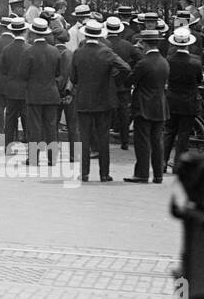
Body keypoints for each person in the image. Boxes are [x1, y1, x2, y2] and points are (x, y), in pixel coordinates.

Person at [69, 18, 130, 182]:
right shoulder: (106, 51)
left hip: (84, 99)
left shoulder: (78, 52)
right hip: (104, 99)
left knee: (85, 138)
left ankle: (84, 173)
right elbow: (126, 67)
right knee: (103, 138)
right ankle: (104, 173)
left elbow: (73, 78)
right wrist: (113, 79)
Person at [125, 25, 170, 183]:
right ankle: (158, 174)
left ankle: (142, 173)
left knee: (142, 141)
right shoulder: (164, 62)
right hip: (160, 105)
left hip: (143, 106)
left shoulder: (143, 63)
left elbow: (130, 80)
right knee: (157, 142)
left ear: (144, 44)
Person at [22, 17, 66, 167]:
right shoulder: (54, 51)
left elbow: (23, 74)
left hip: (34, 94)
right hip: (51, 93)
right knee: (51, 127)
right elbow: (59, 73)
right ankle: (52, 158)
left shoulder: (28, 52)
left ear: (33, 34)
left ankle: (34, 158)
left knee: (34, 128)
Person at [163, 27, 204, 174]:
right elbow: (199, 79)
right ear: (188, 43)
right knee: (183, 134)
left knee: (169, 132)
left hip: (172, 99)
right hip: (189, 101)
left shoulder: (169, 60)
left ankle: (162, 161)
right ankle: (178, 164)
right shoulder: (195, 61)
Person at [104, 16, 141, 150]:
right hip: (123, 84)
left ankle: (104, 140)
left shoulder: (103, 45)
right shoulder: (127, 45)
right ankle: (124, 141)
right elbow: (140, 59)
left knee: (106, 112)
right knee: (124, 112)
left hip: (106, 84)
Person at [0, 17, 30, 153]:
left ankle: (8, 146)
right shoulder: (29, 49)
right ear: (24, 31)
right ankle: (30, 146)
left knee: (10, 118)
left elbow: (3, 69)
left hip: (11, 87)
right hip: (26, 88)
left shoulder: (6, 49)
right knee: (27, 118)